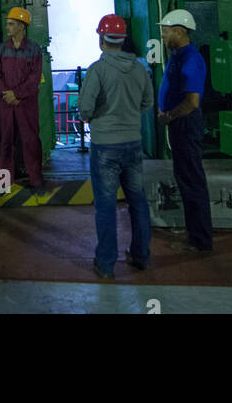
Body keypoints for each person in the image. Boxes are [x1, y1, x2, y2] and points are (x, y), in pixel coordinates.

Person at [79, 14, 154, 280]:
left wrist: (97, 117)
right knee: (138, 201)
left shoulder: (97, 70)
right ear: (122, 40)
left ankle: (107, 264)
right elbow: (147, 103)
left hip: (105, 148)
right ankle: (142, 256)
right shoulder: (139, 68)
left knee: (106, 206)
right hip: (133, 144)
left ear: (102, 40)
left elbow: (85, 110)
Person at [156, 8, 213, 254]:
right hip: (180, 124)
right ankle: (195, 234)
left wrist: (169, 115)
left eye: (166, 32)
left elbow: (191, 102)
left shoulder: (190, 59)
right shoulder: (179, 55)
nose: (163, 37)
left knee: (192, 182)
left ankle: (200, 241)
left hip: (186, 124)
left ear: (180, 32)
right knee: (186, 179)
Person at [0, 6, 45, 191]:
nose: (7, 27)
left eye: (11, 24)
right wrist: (6, 94)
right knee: (6, 142)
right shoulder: (0, 50)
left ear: (22, 26)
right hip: (7, 103)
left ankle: (36, 180)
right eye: (7, 24)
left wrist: (17, 94)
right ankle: (4, 183)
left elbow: (34, 78)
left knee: (31, 142)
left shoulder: (34, 50)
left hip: (26, 104)